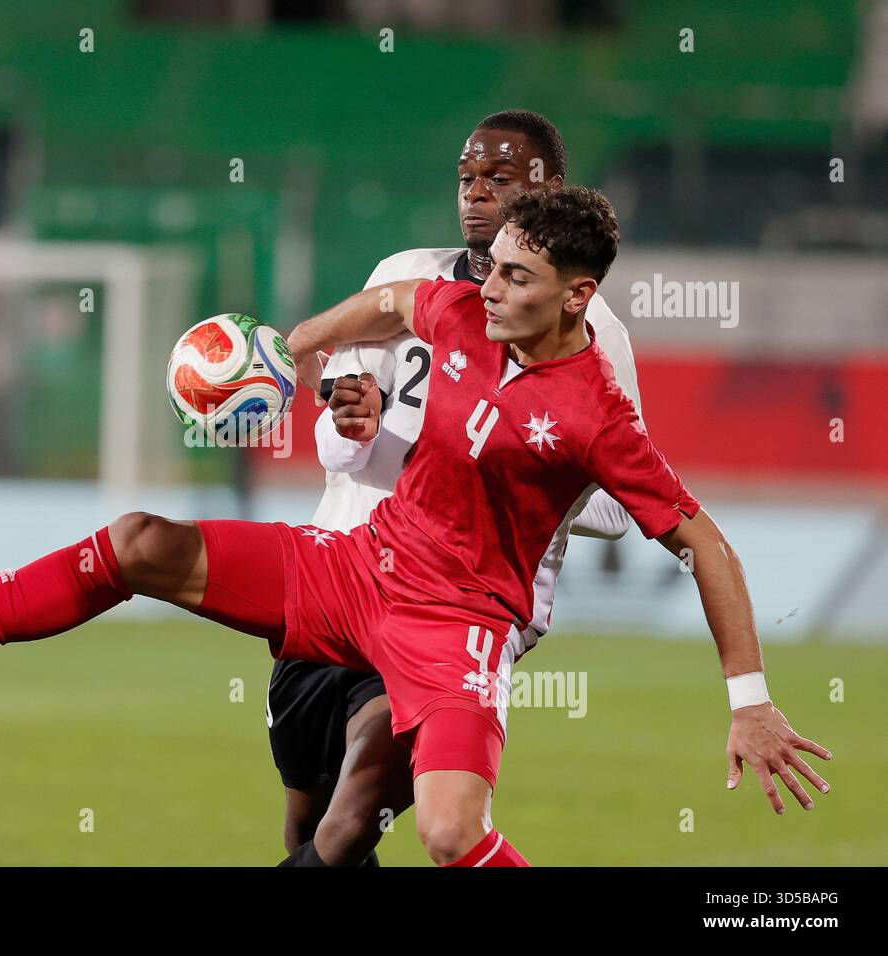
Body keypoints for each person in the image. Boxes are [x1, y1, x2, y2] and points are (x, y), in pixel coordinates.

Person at [0, 186, 830, 865]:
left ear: (579, 295)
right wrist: (296, 347)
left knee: (445, 830)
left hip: (455, 626)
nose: (490, 283)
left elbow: (703, 540)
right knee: (139, 541)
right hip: (356, 569)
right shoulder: (463, 307)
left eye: (516, 275)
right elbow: (393, 304)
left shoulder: (594, 411)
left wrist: (750, 698)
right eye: (493, 263)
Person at [271, 109, 639, 866]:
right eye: (467, 178)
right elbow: (333, 443)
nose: (475, 195)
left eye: (499, 180)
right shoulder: (403, 276)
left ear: (550, 191)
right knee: (309, 832)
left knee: (345, 830)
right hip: (337, 573)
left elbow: (613, 503)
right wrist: (354, 422)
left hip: (453, 602)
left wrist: (487, 470)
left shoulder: (593, 328)